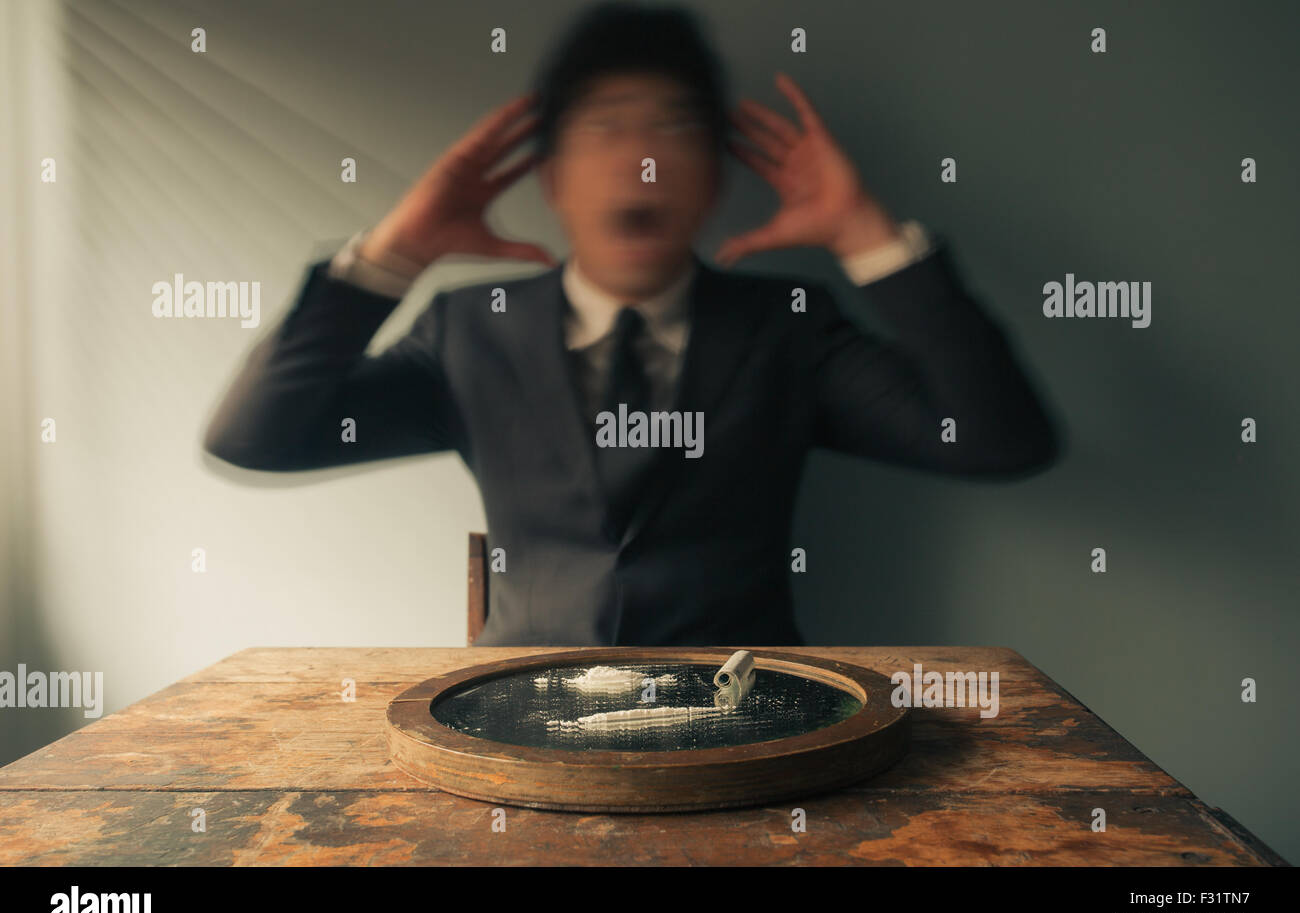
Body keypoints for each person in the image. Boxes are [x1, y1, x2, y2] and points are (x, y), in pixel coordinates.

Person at [203, 2, 1061, 647]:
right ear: (552, 177)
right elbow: (257, 438)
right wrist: (395, 253)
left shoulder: (785, 327)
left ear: (717, 179)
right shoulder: (472, 331)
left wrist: (867, 236)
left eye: (675, 127)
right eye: (605, 127)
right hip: (523, 736)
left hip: (742, 738)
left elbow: (999, 441)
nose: (639, 156)